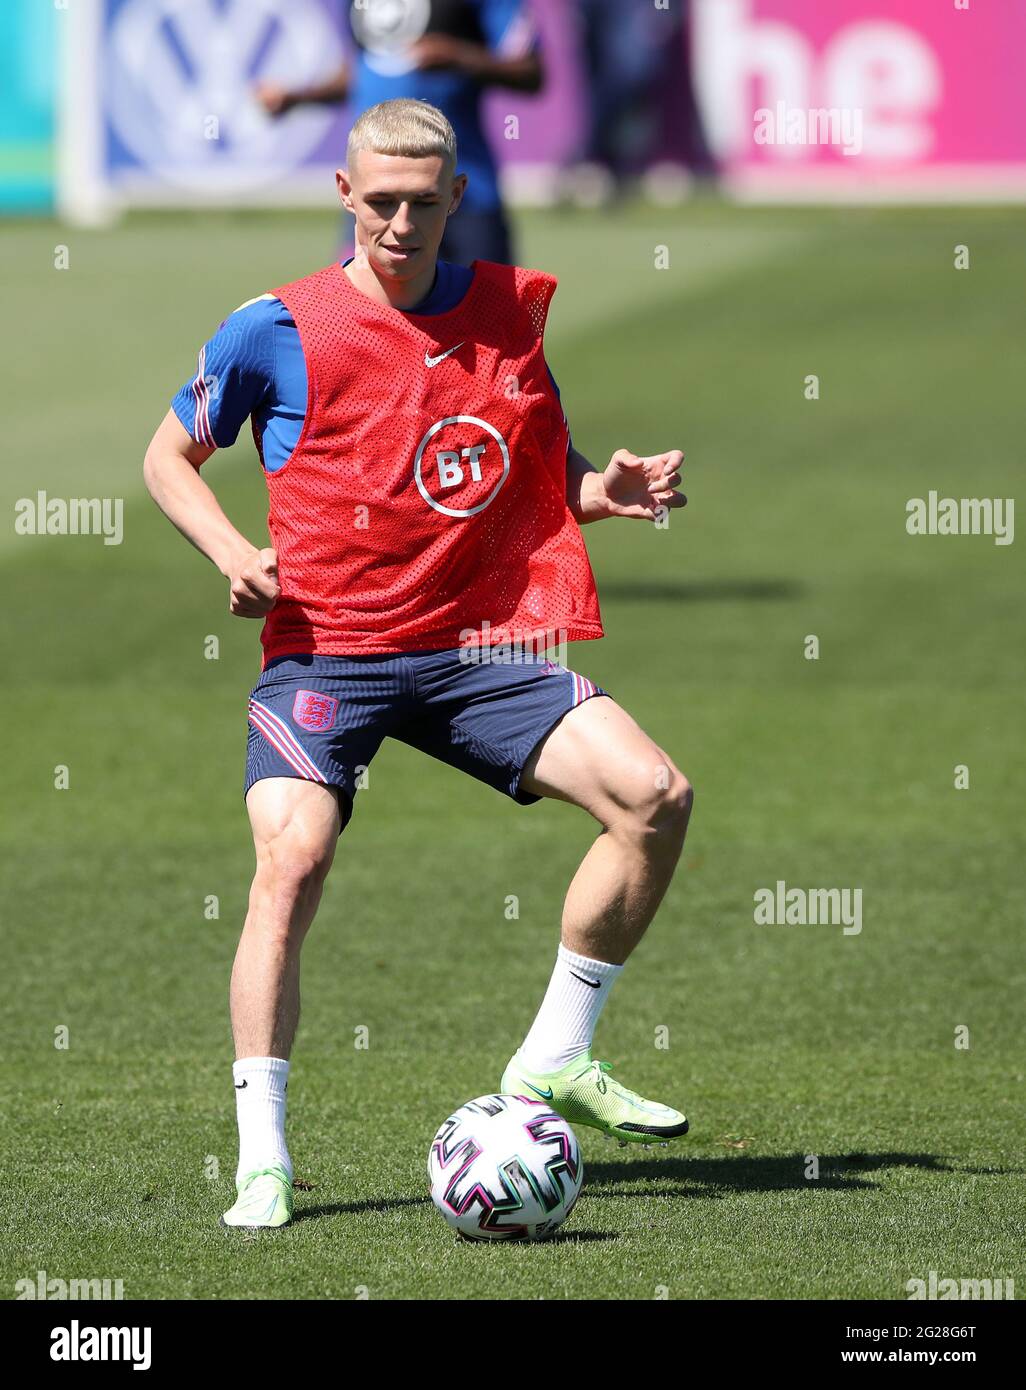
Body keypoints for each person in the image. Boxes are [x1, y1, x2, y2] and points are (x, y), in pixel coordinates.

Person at [143, 98, 692, 1231]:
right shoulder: (276, 326)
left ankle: (555, 1056)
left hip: (473, 646)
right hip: (326, 654)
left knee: (654, 796)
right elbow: (167, 457)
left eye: (420, 202)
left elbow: (527, 456)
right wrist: (233, 551)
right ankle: (264, 1158)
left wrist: (606, 492)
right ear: (345, 195)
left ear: (456, 199)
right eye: (378, 200)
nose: (398, 222)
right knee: (291, 861)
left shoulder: (502, 313)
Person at [255, 0, 542, 266]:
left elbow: (531, 72)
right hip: (376, 191)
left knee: (485, 311)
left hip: (465, 195)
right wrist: (296, 97)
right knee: (365, 312)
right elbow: (365, 68)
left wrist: (459, 56)